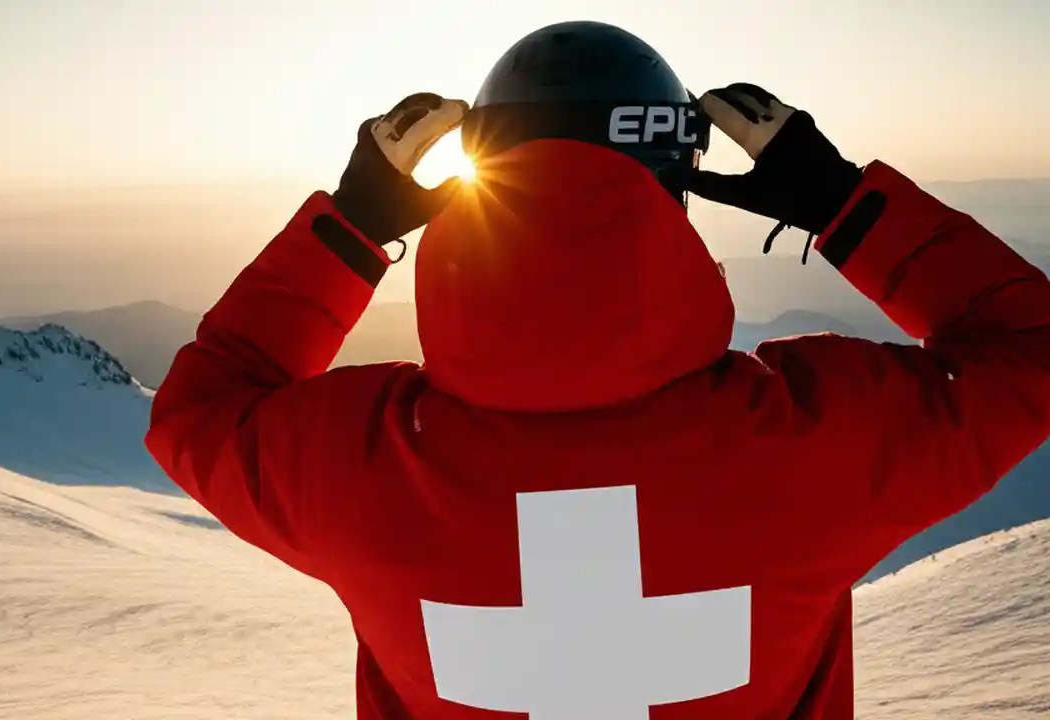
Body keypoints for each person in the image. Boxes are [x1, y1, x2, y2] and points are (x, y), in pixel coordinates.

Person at [147, 21, 1050, 720]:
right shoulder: (817, 446)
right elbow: (1029, 350)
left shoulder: (360, 469)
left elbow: (198, 409)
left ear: (477, 176)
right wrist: (840, 205)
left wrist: (350, 228)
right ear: (674, 183)